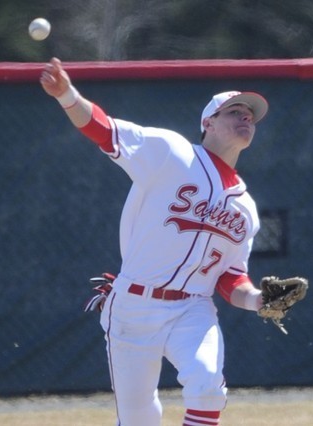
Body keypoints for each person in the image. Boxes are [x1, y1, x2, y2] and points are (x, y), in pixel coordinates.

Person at [40, 57, 274, 426]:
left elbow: (230, 279)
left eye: (250, 115)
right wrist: (67, 95)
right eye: (235, 111)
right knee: (138, 419)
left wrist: (260, 299)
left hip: (192, 309)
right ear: (208, 123)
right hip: (132, 304)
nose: (246, 118)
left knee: (208, 386)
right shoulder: (172, 153)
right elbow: (106, 131)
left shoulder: (246, 208)